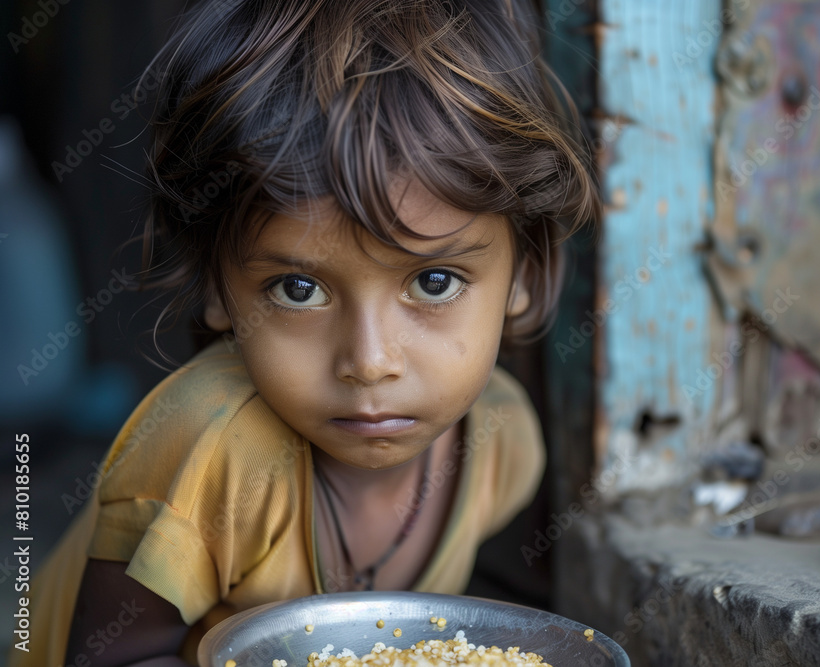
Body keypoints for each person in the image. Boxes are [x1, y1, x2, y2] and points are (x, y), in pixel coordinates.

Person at [15, 0, 599, 665]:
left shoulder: (501, 444)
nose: (370, 361)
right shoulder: (212, 453)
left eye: (434, 282)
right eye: (299, 289)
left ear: (523, 269)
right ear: (217, 286)